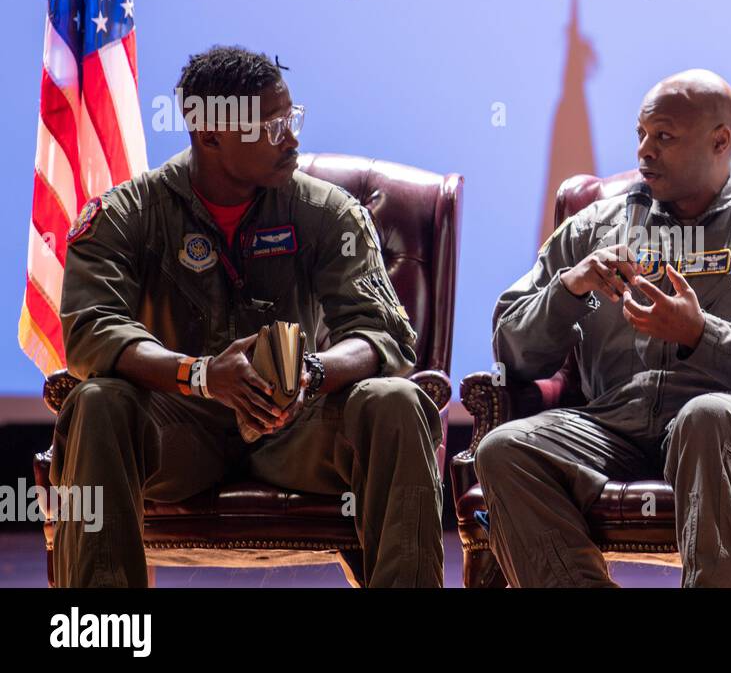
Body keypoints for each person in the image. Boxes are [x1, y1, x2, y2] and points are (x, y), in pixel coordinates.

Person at [52, 45, 443, 587]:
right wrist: (201, 376)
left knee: (395, 398)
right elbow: (90, 332)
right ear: (209, 135)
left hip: (299, 427)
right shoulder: (128, 213)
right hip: (182, 427)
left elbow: (382, 333)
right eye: (272, 125)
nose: (292, 137)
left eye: (292, 118)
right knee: (98, 402)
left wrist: (313, 372)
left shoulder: (327, 212)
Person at [476, 69, 731, 587]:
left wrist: (699, 335)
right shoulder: (594, 226)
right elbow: (511, 350)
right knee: (505, 449)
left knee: (707, 416)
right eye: (641, 135)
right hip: (612, 424)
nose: (645, 151)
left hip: (725, 424)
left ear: (720, 141)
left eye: (663, 137)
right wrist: (567, 291)